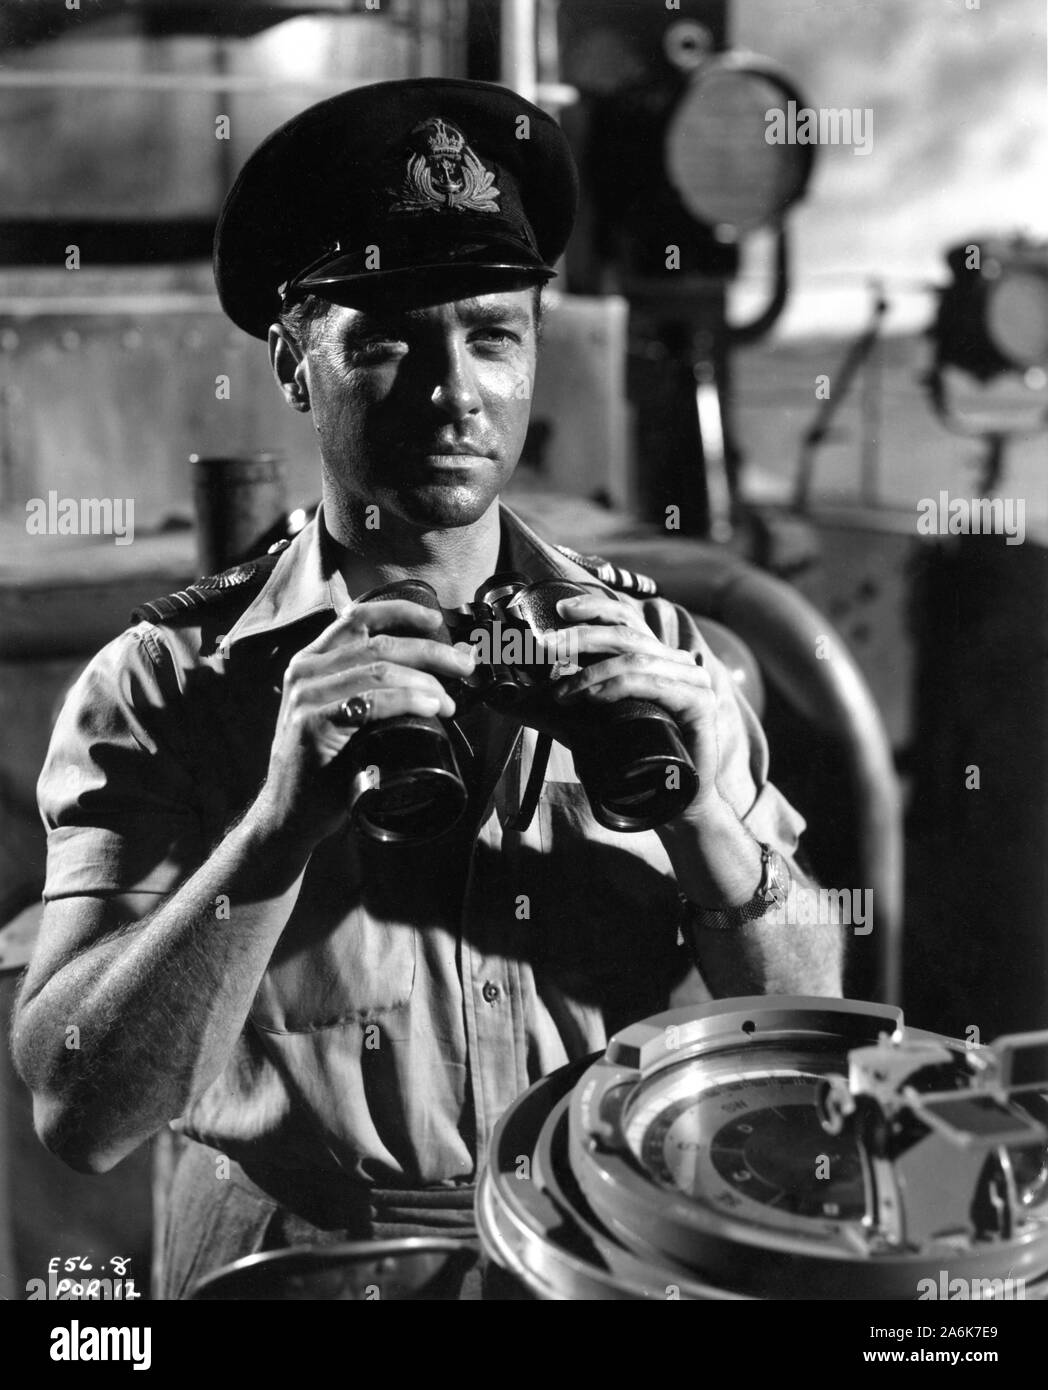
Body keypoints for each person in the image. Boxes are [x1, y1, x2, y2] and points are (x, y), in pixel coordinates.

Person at [12, 78, 841, 1299]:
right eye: (390, 338)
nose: (456, 391)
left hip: (588, 1256)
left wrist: (702, 822)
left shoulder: (660, 647)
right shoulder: (167, 686)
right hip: (301, 1266)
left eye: (494, 335)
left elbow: (806, 1022)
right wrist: (276, 829)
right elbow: (79, 1110)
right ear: (296, 361)